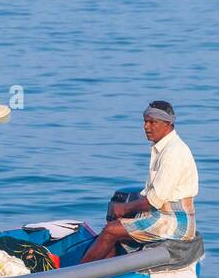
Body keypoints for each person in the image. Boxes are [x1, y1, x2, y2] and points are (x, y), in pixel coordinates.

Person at [81, 101, 199, 263]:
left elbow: (154, 200)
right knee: (115, 229)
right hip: (160, 215)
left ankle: (75, 274)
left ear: (167, 124)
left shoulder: (174, 153)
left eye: (152, 122)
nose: (146, 127)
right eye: (145, 121)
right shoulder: (162, 148)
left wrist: (124, 208)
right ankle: (99, 274)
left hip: (173, 221)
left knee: (111, 231)